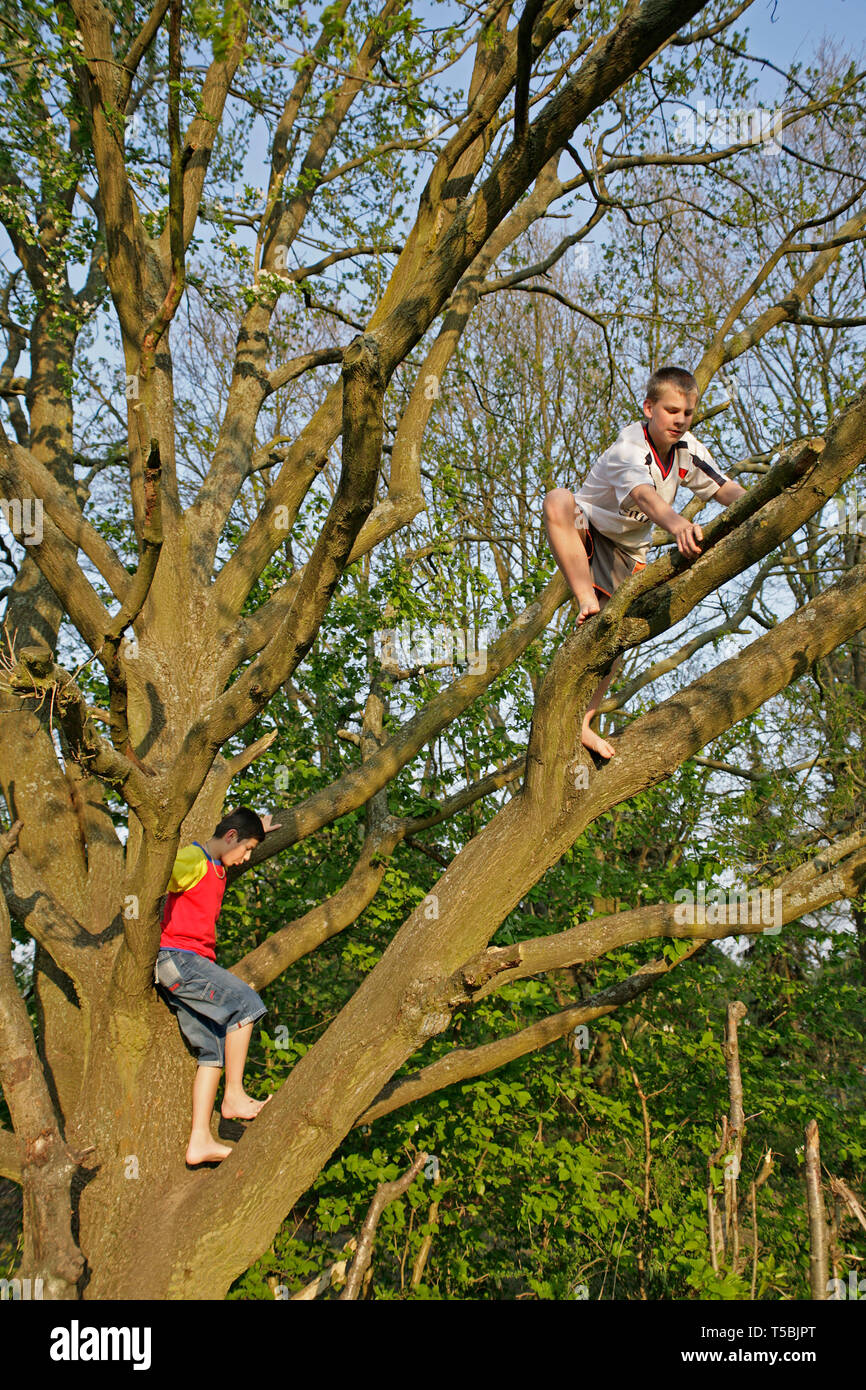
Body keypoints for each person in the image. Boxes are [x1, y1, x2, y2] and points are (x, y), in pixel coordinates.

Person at [543, 366, 746, 759]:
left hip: (629, 552)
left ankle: (583, 723)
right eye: (671, 411)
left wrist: (764, 498)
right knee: (557, 499)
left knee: (613, 641)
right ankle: (586, 598)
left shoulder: (688, 449)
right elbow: (644, 496)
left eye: (687, 413)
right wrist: (678, 524)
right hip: (590, 529)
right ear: (649, 407)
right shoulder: (629, 447)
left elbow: (724, 487)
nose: (680, 420)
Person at [154, 805, 281, 1165]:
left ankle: (200, 1141)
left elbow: (236, 842)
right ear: (229, 838)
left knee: (212, 1049)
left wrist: (258, 830)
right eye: (246, 849)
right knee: (246, 1004)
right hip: (178, 959)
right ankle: (235, 1096)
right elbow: (158, 877)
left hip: (185, 966)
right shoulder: (194, 860)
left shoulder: (216, 864)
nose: (246, 858)